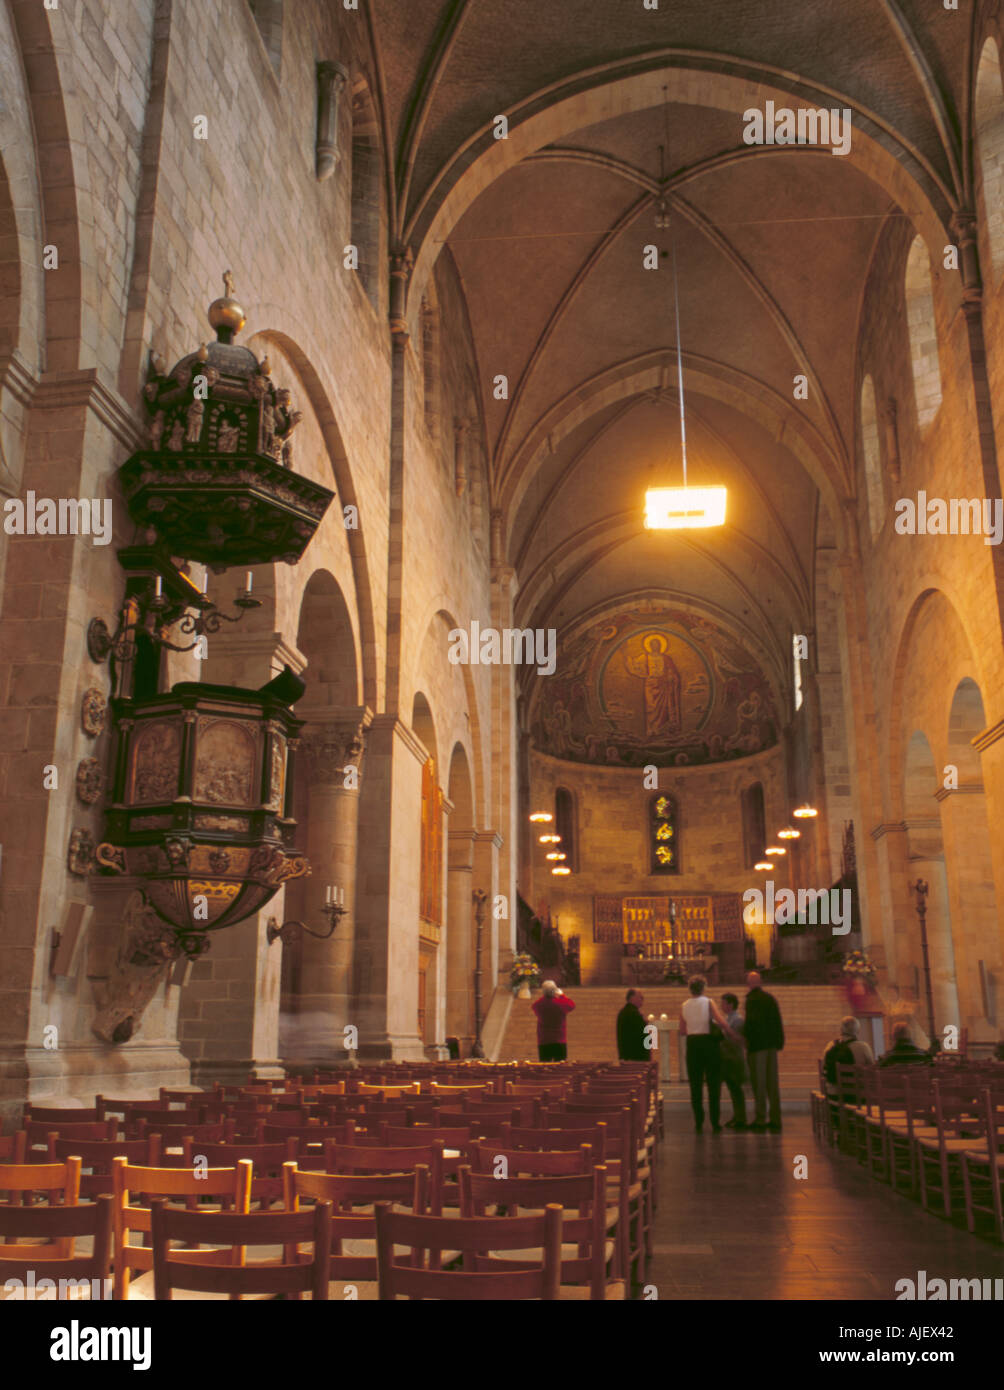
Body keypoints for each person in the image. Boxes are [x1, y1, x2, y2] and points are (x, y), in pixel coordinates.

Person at [679, 975, 732, 1133]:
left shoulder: (684, 1005)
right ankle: (715, 1121)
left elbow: (682, 1030)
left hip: (693, 1044)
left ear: (690, 989)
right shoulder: (708, 1002)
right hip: (709, 1044)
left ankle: (699, 1121)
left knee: (695, 1085)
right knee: (713, 1084)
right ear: (704, 988)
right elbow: (720, 1021)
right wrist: (730, 1032)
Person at [745, 971, 784, 1132]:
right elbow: (777, 1020)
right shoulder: (770, 998)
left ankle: (761, 1118)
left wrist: (747, 1041)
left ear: (750, 983)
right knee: (772, 1084)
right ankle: (775, 1118)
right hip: (771, 1046)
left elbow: (751, 1023)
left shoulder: (751, 1000)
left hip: (757, 1047)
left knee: (759, 1084)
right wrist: (779, 1042)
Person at [822, 1016, 874, 1099]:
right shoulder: (864, 1047)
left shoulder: (830, 1046)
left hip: (834, 1095)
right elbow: (872, 1070)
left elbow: (823, 1068)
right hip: (857, 1096)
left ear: (841, 1029)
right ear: (858, 1030)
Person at [719, 992, 747, 1129]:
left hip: (734, 1058)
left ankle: (741, 1117)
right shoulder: (729, 1018)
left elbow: (736, 1039)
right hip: (728, 1057)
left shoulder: (737, 1020)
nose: (721, 1006)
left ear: (730, 1004)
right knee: (733, 1089)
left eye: (723, 1003)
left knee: (736, 1089)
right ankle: (737, 1116)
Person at [532, 980, 575, 1061]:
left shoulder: (539, 1004)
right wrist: (562, 995)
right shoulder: (560, 1003)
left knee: (544, 1066)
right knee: (560, 1066)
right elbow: (571, 1005)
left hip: (544, 1040)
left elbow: (534, 1006)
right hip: (559, 1039)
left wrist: (546, 995)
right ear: (555, 990)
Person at [616, 989, 649, 1061]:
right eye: (640, 997)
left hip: (627, 1056)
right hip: (636, 1057)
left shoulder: (624, 1012)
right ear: (632, 998)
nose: (642, 999)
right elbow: (641, 1035)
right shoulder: (633, 1014)